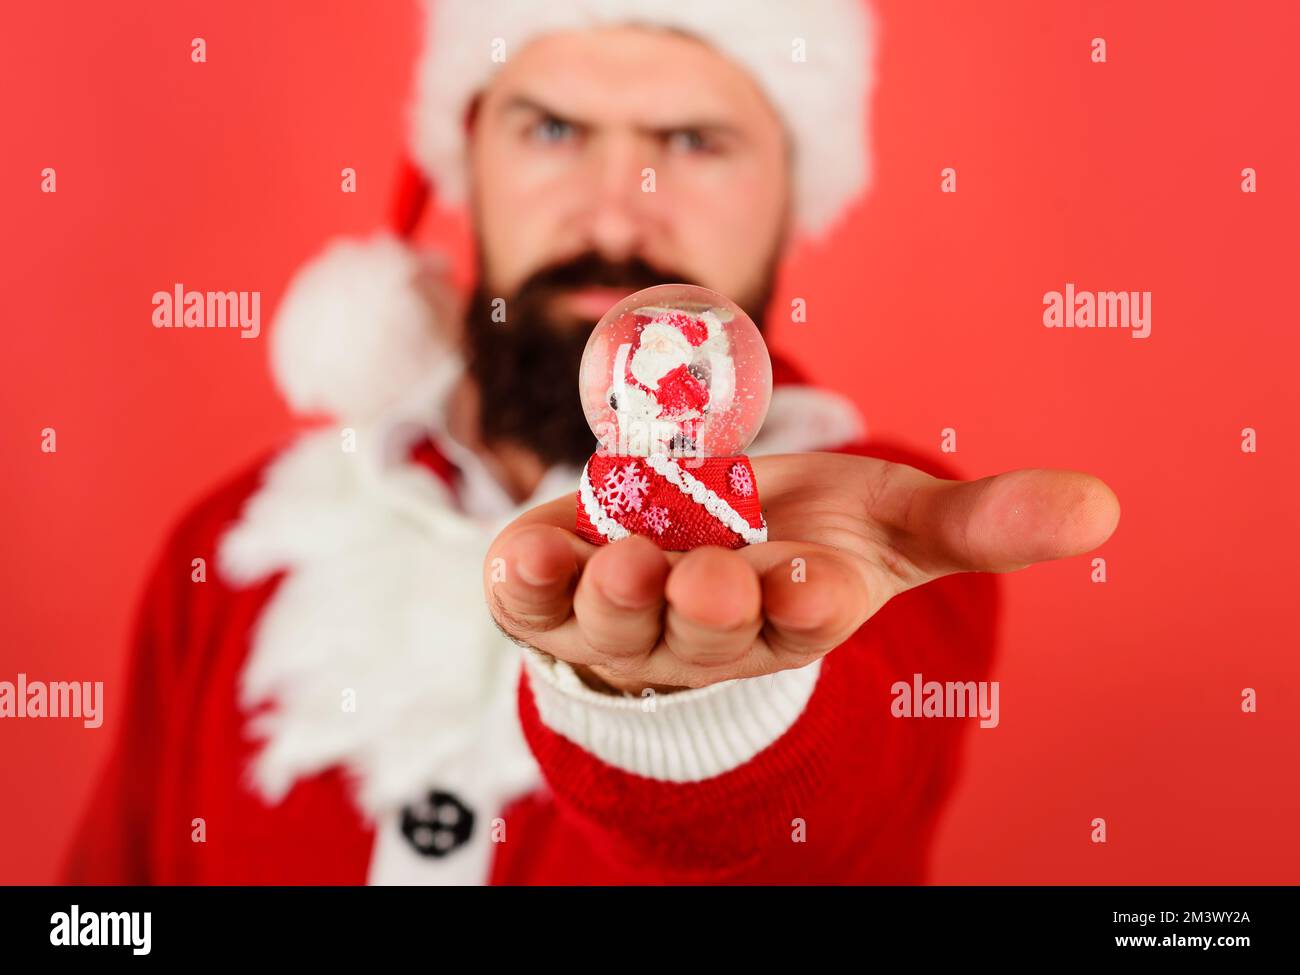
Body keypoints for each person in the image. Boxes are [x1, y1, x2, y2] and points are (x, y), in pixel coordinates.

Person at [64, 0, 1119, 884]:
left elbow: (826, 821)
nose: (619, 210)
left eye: (693, 141)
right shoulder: (234, 548)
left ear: (790, 194)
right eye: (553, 130)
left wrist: (710, 704)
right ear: (466, 160)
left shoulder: (886, 553)